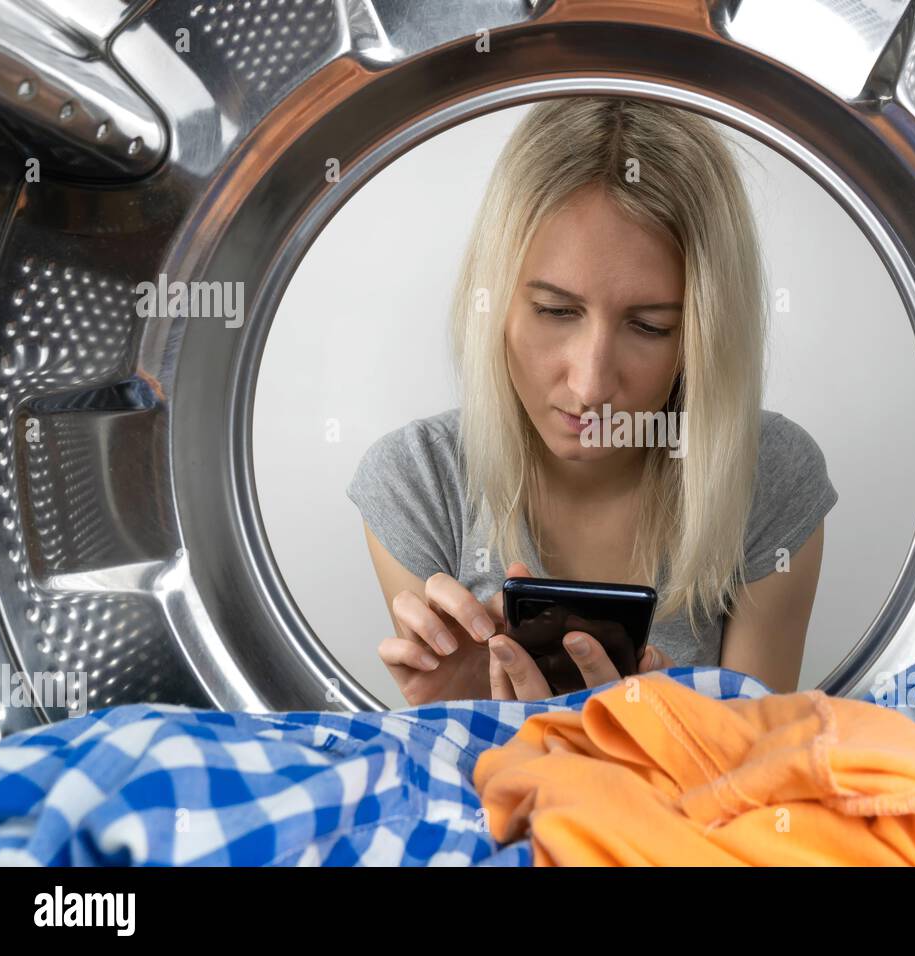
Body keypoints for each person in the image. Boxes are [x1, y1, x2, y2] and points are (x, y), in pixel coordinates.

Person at [347, 96, 837, 704]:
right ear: (494, 302)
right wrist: (461, 716)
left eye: (651, 326)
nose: (590, 385)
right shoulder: (416, 483)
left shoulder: (770, 474)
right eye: (555, 311)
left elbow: (757, 767)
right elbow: (466, 784)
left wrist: (662, 737)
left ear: (703, 339)